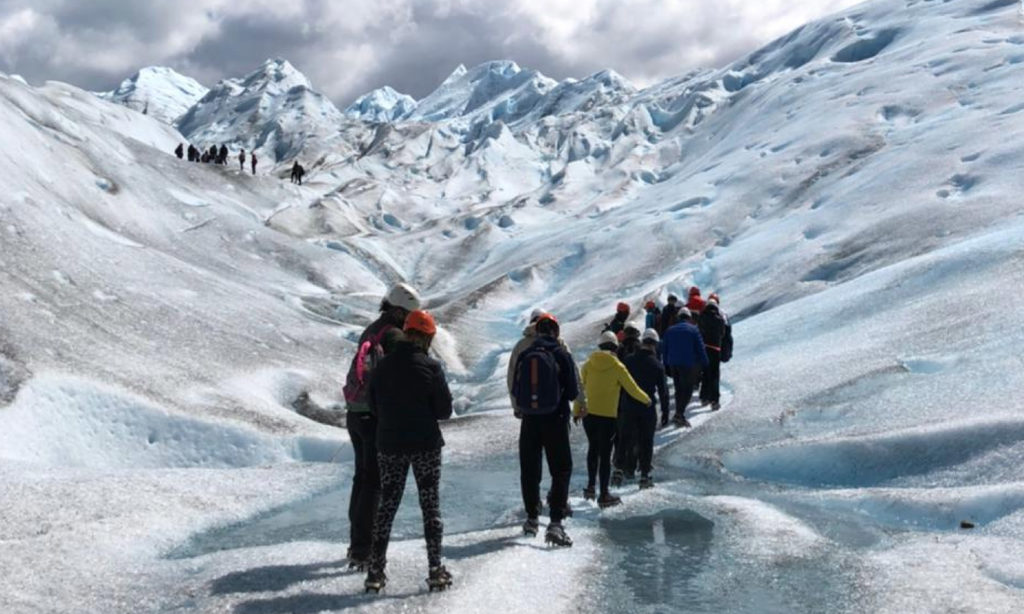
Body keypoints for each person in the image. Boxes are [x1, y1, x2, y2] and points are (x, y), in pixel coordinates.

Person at [364, 309, 453, 593]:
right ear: (427, 336)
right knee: (430, 506)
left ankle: (375, 573)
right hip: (426, 445)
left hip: (389, 445)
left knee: (387, 506)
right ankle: (435, 570)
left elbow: (372, 407)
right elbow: (444, 410)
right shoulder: (431, 367)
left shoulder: (381, 368)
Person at [342, 283, 422, 571]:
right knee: (374, 482)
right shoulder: (395, 336)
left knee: (362, 479)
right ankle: (364, 550)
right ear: (401, 311)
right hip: (375, 416)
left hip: (355, 413)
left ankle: (356, 545)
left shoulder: (373, 329)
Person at [510, 313, 578, 546]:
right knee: (561, 468)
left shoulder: (525, 353)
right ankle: (556, 522)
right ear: (556, 332)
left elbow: (515, 386)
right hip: (556, 418)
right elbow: (572, 392)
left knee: (530, 469)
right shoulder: (561, 353)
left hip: (529, 419)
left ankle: (531, 517)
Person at [574, 331, 650, 508]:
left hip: (589, 415)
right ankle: (604, 494)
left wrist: (576, 411)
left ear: (600, 346)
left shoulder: (587, 365)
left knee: (593, 448)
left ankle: (591, 486)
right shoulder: (618, 367)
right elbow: (632, 388)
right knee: (605, 453)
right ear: (615, 347)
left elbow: (580, 389)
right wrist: (647, 400)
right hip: (608, 417)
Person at [620, 329, 670, 488]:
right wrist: (665, 412)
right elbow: (663, 391)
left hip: (628, 406)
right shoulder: (657, 365)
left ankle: (625, 469)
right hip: (647, 408)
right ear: (655, 344)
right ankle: (644, 475)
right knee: (646, 441)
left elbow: (620, 385)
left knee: (628, 439)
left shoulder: (628, 360)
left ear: (642, 342)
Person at [661, 308, 708, 427]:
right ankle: (679, 414)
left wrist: (666, 364)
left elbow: (664, 349)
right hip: (687, 364)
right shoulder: (693, 330)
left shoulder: (669, 330)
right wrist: (705, 363)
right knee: (687, 389)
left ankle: (679, 413)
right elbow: (700, 348)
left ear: (679, 317)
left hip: (673, 364)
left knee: (678, 389)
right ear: (689, 317)